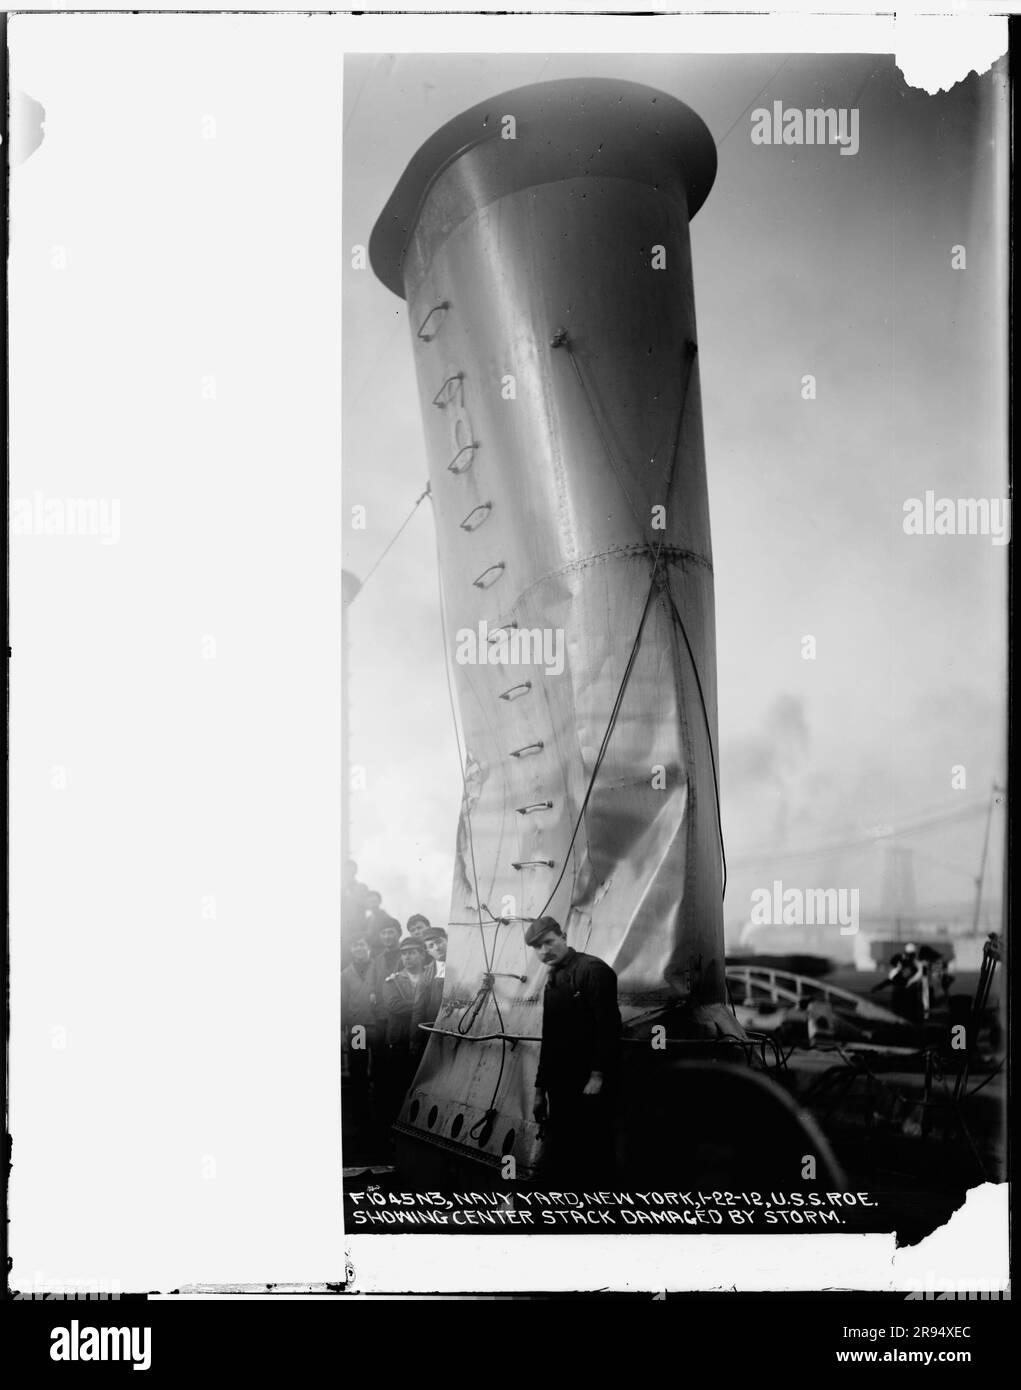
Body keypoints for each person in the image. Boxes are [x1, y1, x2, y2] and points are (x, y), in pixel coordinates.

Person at [526, 916, 621, 1183]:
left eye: (549, 942)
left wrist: (598, 1075)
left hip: (588, 1082)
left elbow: (609, 1027)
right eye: (537, 947)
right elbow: (550, 1037)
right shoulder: (553, 977)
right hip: (562, 1083)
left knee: (594, 1154)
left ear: (564, 937)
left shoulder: (592, 970)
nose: (544, 951)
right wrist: (539, 1090)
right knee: (565, 1154)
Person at [377, 935, 430, 1134]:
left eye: (412, 953)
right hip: (400, 1042)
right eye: (404, 954)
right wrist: (423, 1007)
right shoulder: (393, 981)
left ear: (422, 954)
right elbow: (394, 1005)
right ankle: (396, 1131)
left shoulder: (432, 977)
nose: (407, 957)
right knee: (399, 1088)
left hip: (425, 1040)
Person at [340, 935, 375, 1134]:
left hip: (377, 1026)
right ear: (351, 950)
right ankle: (360, 1114)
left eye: (362, 944)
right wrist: (341, 1030)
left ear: (368, 946)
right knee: (359, 1066)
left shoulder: (377, 967)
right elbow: (342, 1003)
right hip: (358, 1028)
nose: (359, 948)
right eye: (355, 945)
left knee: (379, 1066)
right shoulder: (345, 974)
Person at [410, 926, 447, 1057]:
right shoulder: (426, 976)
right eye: (431, 946)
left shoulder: (463, 966)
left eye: (439, 942)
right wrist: (415, 1038)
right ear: (427, 951)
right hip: (434, 1027)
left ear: (447, 940)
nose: (437, 947)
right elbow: (418, 1008)